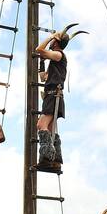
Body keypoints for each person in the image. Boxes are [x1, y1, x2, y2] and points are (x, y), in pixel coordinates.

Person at [34, 24, 84, 173]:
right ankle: (55, 161)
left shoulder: (58, 55)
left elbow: (39, 50)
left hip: (53, 96)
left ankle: (46, 158)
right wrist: (41, 61)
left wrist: (50, 37)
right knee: (50, 129)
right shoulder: (56, 59)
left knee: (41, 125)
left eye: (53, 39)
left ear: (56, 42)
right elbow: (43, 77)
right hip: (52, 96)